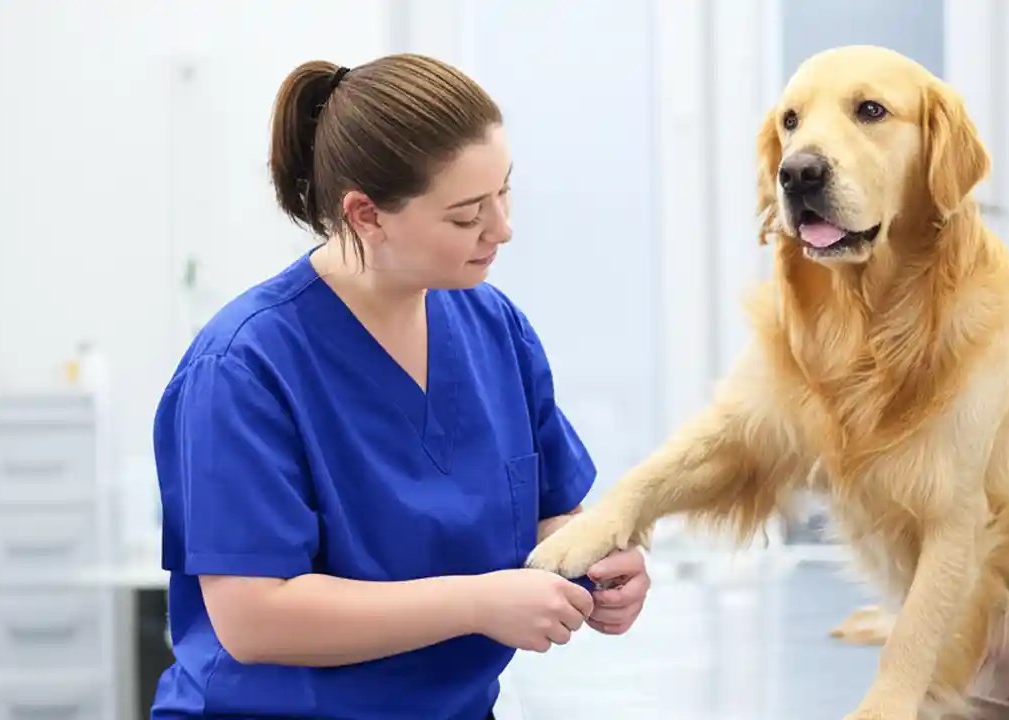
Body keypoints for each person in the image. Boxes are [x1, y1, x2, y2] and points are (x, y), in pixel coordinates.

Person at [149, 53, 651, 720]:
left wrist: (599, 563)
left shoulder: (493, 328)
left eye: (504, 192)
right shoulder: (244, 368)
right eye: (467, 214)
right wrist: (478, 603)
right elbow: (254, 617)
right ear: (366, 215)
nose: (502, 228)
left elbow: (550, 514)